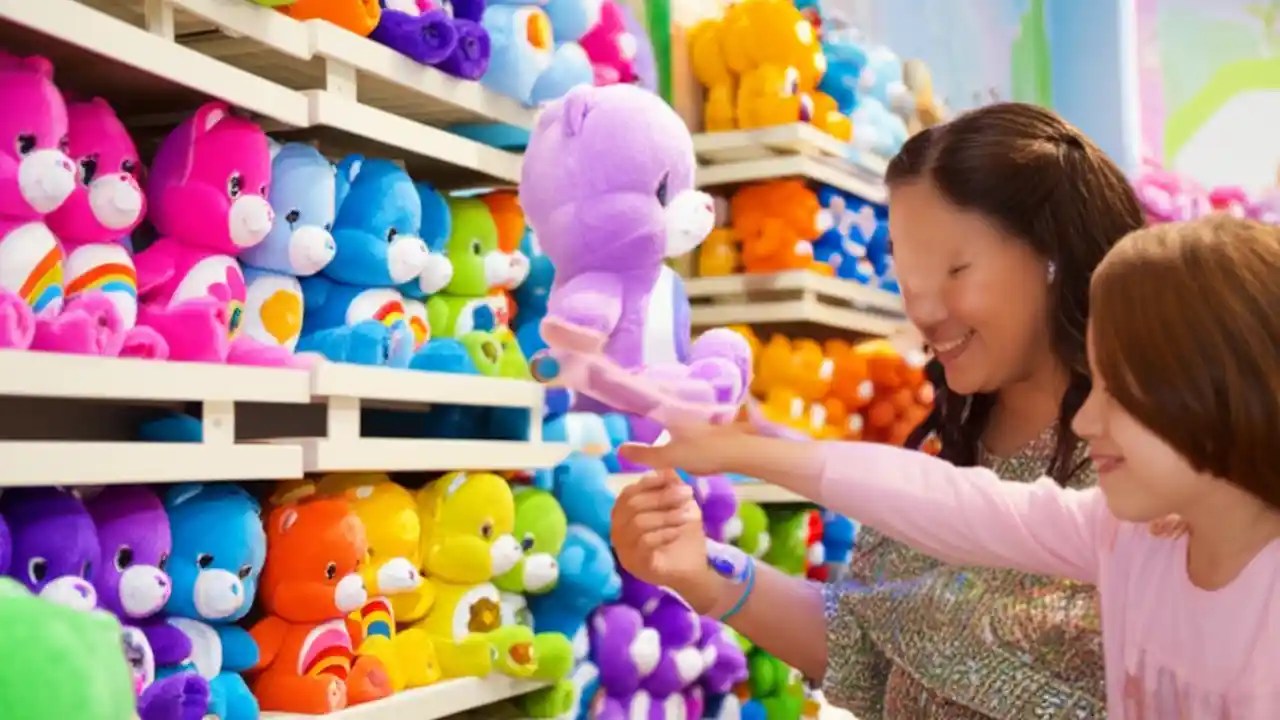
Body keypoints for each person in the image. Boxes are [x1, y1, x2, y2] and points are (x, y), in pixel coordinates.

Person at [614, 214, 1280, 717]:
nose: (1085, 420)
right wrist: (739, 448)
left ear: (1221, 390)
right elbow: (950, 502)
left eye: (1119, 391)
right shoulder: (1125, 536)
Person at [615, 102, 1147, 719]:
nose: (923, 310)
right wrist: (700, 568)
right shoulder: (946, 447)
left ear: (1050, 254)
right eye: (908, 272)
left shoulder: (1141, 468)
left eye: (955, 269)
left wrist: (746, 452)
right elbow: (863, 649)